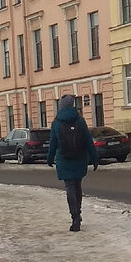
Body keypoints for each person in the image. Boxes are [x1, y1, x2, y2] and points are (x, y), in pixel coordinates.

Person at [46, 94, 99, 232]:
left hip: (64, 159)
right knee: (77, 186)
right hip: (80, 158)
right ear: (72, 105)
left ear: (61, 106)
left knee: (69, 187)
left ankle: (74, 217)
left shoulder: (56, 122)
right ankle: (79, 213)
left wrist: (50, 158)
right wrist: (94, 158)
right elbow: (88, 140)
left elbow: (53, 142)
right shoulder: (80, 120)